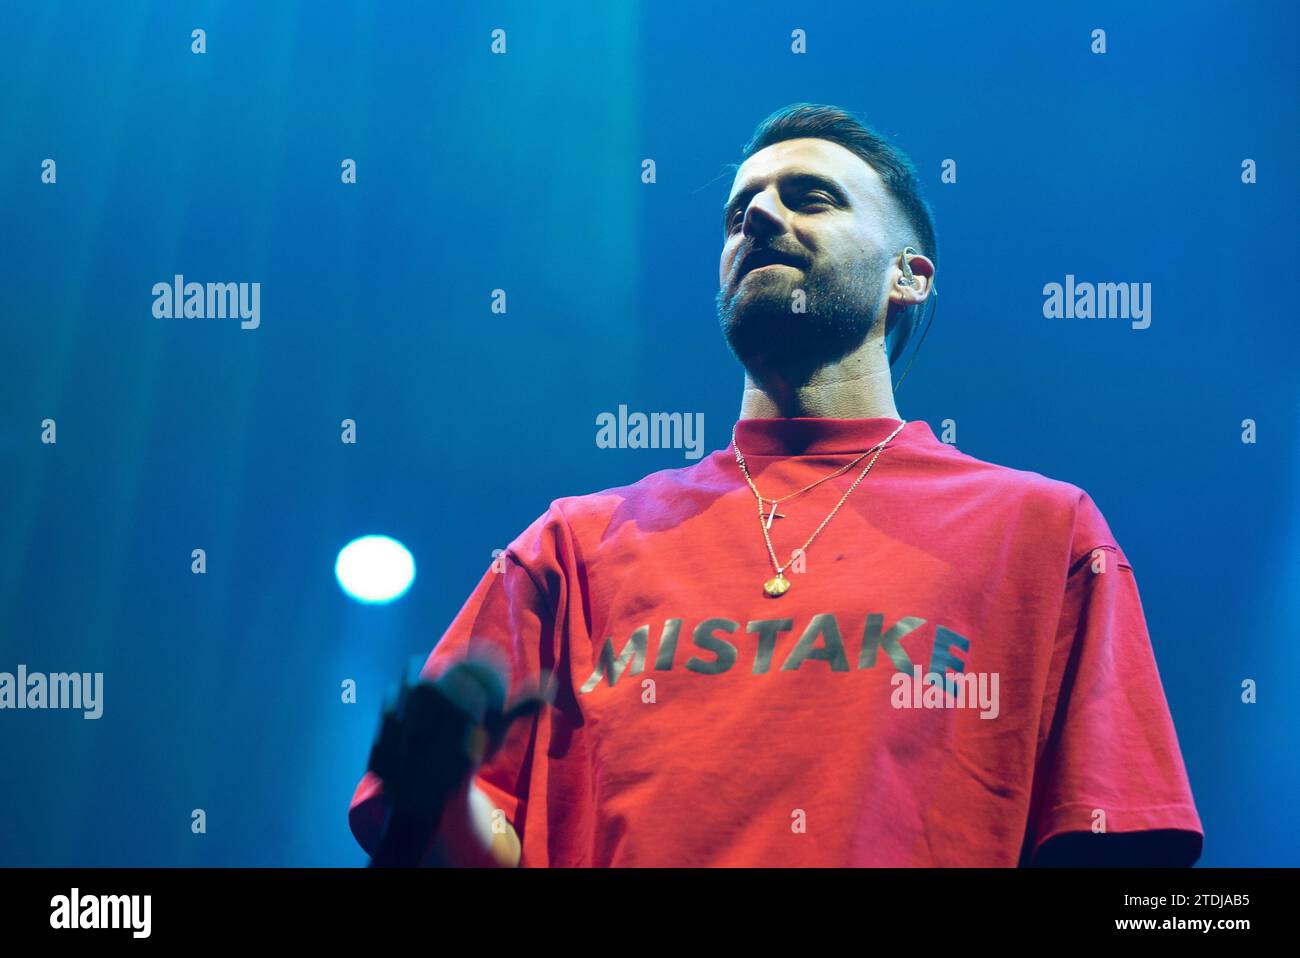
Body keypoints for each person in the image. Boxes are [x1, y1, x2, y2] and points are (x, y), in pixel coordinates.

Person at [348, 103, 1203, 867]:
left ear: (909, 275)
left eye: (810, 197)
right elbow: (473, 847)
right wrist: (444, 794)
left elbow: (1120, 851)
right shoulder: (572, 545)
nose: (758, 214)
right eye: (739, 210)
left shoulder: (1042, 530)